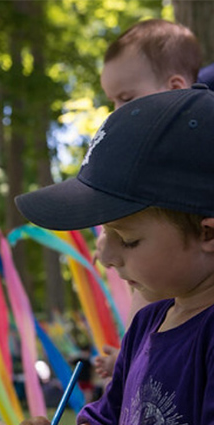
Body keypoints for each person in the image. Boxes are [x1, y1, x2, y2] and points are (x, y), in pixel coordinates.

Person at [11, 86, 214, 425]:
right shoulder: (148, 323)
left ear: (208, 233)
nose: (105, 254)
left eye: (127, 237)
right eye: (104, 233)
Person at [94, 18, 203, 380]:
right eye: (112, 101)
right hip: (153, 336)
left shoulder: (192, 159)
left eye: (126, 98)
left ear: (175, 87)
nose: (116, 112)